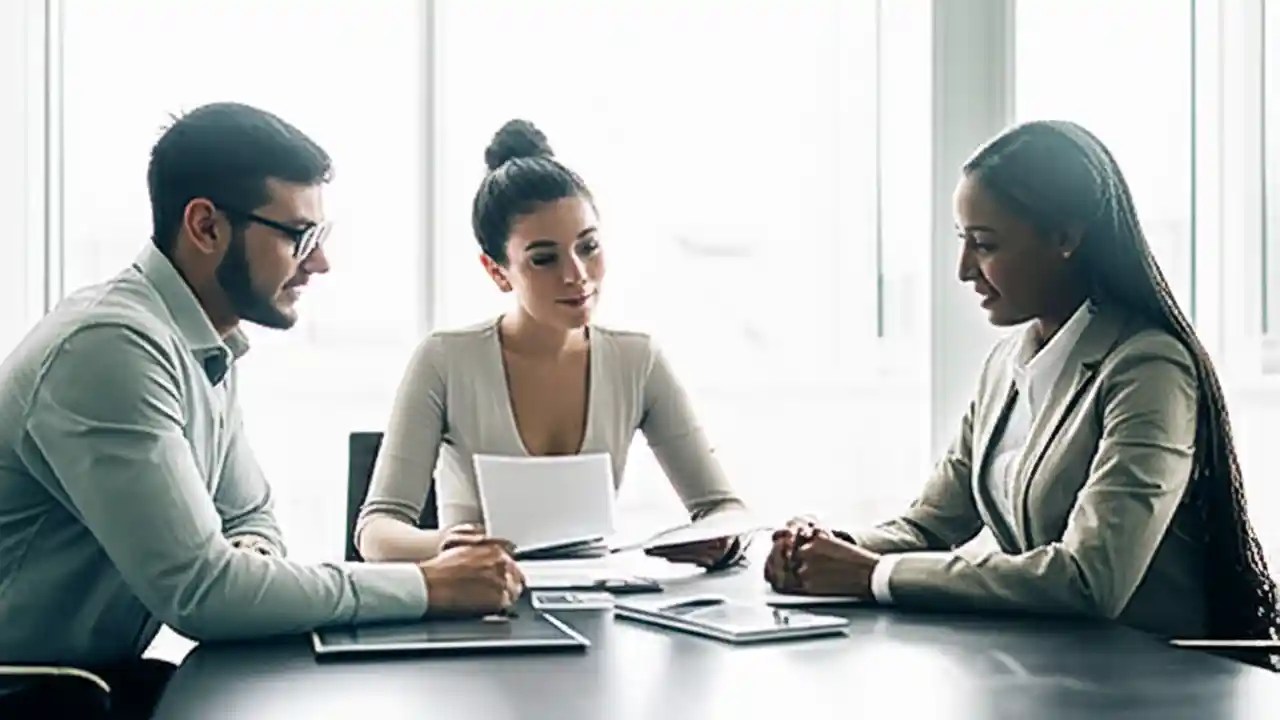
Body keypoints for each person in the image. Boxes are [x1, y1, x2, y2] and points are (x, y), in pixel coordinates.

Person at [0, 102, 523, 718]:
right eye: (299, 236)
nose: (319, 262)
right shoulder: (111, 348)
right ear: (205, 226)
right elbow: (203, 592)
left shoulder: (200, 343)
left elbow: (252, 517)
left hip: (88, 685)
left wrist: (243, 567)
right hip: (31, 694)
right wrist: (427, 585)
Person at [766, 120, 1280, 646]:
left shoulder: (1148, 369)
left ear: (1065, 238)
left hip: (1153, 680)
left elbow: (1089, 579)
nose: (965, 269)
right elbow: (931, 524)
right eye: (963, 241)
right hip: (1051, 667)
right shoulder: (1004, 365)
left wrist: (872, 576)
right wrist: (825, 550)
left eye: (984, 245)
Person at [357, 120, 748, 569]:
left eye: (589, 247)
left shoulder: (638, 360)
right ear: (497, 271)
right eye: (544, 259)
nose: (576, 275)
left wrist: (722, 542)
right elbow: (377, 531)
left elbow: (724, 509)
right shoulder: (445, 360)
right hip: (474, 606)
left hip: (599, 612)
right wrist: (448, 546)